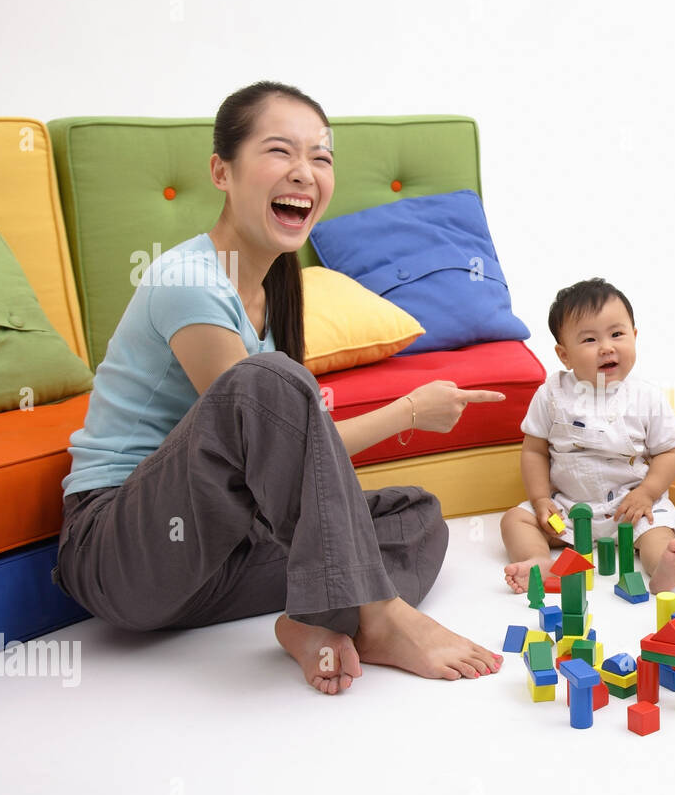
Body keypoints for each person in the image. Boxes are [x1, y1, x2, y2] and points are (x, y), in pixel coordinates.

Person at [52, 81, 506, 694]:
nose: (305, 173)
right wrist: (408, 411)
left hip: (214, 559)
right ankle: (381, 615)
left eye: (321, 157)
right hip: (128, 553)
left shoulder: (280, 288)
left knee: (415, 516)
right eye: (279, 152)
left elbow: (295, 456)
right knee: (264, 380)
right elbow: (273, 415)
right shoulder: (188, 281)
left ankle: (308, 618)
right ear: (221, 170)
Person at [501, 278, 675, 594]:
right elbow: (534, 451)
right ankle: (539, 561)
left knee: (658, 535)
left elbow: (668, 453)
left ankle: (663, 569)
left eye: (617, 334)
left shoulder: (646, 397)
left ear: (635, 336)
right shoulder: (551, 394)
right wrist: (540, 499)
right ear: (565, 355)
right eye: (589, 340)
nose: (607, 347)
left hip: (632, 509)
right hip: (569, 512)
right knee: (513, 521)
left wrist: (647, 493)